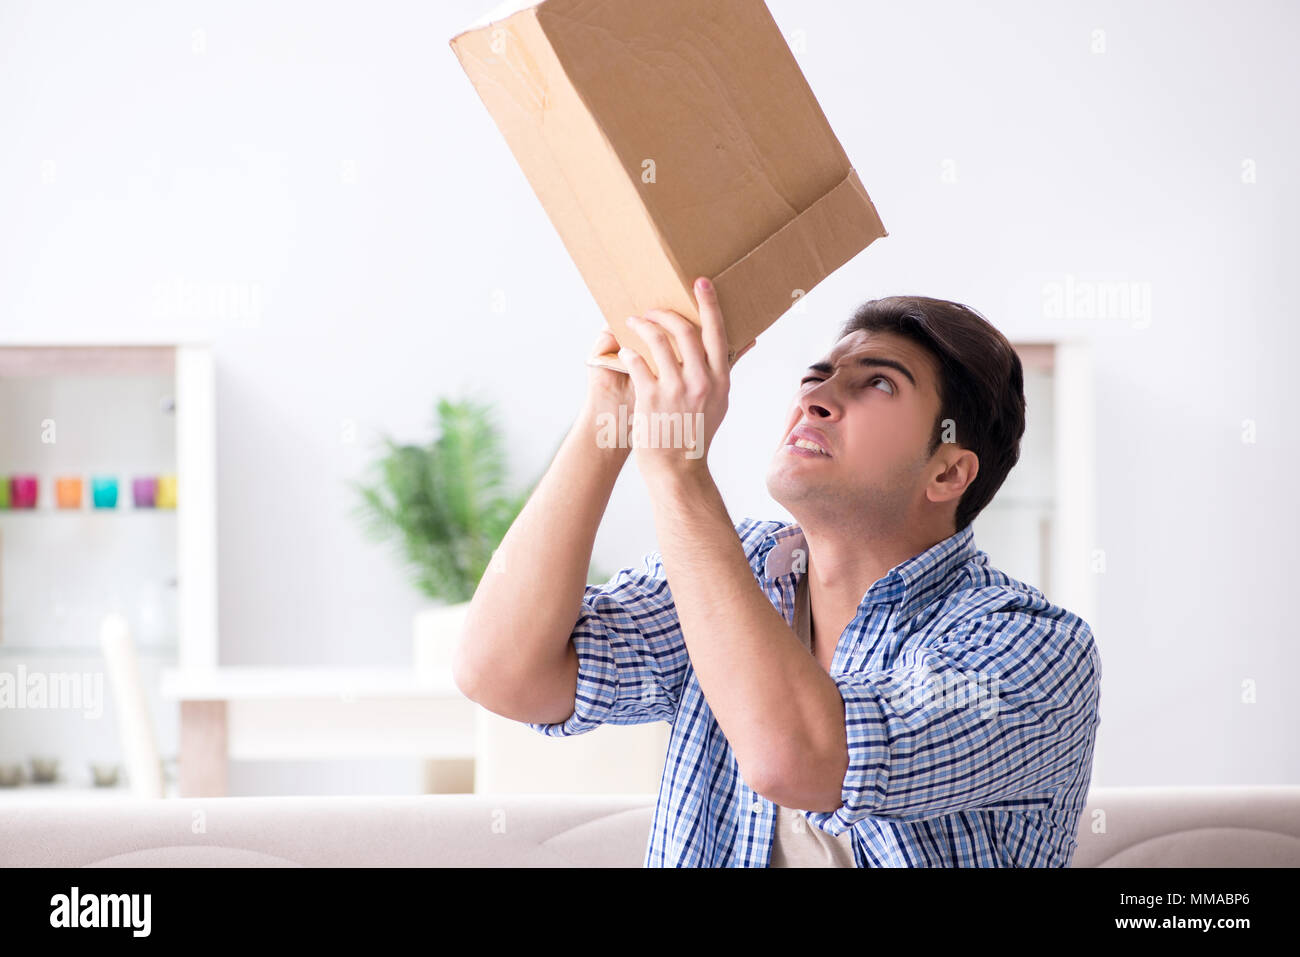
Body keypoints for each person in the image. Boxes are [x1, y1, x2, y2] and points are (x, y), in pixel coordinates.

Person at [452, 277, 1101, 867]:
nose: (816, 396)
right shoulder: (743, 571)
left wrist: (679, 474)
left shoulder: (1035, 650)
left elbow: (796, 756)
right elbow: (502, 669)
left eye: (876, 384)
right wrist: (609, 415)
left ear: (948, 471)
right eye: (817, 374)